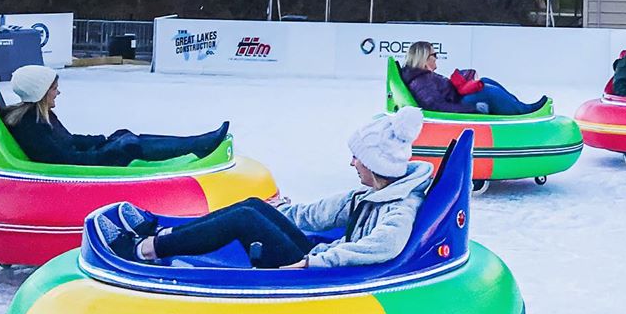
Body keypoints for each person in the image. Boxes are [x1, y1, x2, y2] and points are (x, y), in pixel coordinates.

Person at [102, 107, 430, 269]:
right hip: (316, 261)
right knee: (253, 207)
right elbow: (314, 215)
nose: (351, 164)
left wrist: (312, 263)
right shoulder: (367, 195)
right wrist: (281, 212)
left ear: (376, 164)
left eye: (357, 158)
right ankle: (159, 232)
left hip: (319, 276)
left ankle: (144, 250)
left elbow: (385, 247)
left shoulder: (401, 206)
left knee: (245, 220)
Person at [3, 65, 229, 167]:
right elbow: (64, 160)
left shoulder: (40, 115)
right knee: (129, 145)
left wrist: (104, 140)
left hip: (84, 157)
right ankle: (199, 144)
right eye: (54, 89)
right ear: (40, 92)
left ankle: (197, 142)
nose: (58, 92)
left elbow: (70, 141)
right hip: (82, 167)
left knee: (125, 136)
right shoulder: (31, 124)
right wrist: (106, 152)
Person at [400, 41, 545, 116]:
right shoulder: (421, 82)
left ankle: (519, 106)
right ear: (423, 58)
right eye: (434, 55)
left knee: (486, 81)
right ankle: (523, 112)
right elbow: (436, 106)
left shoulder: (424, 77)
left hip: (457, 97)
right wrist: (471, 109)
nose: (437, 58)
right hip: (460, 103)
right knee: (488, 92)